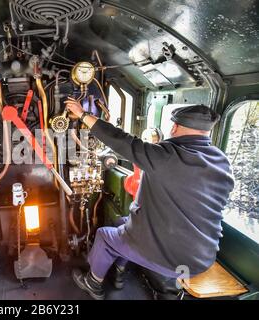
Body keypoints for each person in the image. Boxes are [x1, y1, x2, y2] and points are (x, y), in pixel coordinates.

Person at [65, 100, 234, 300]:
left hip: (172, 259)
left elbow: (120, 140)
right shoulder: (222, 162)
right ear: (207, 132)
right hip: (203, 256)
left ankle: (93, 283)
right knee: (122, 224)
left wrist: (83, 114)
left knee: (104, 235)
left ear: (175, 127)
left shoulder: (165, 155)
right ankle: (118, 273)